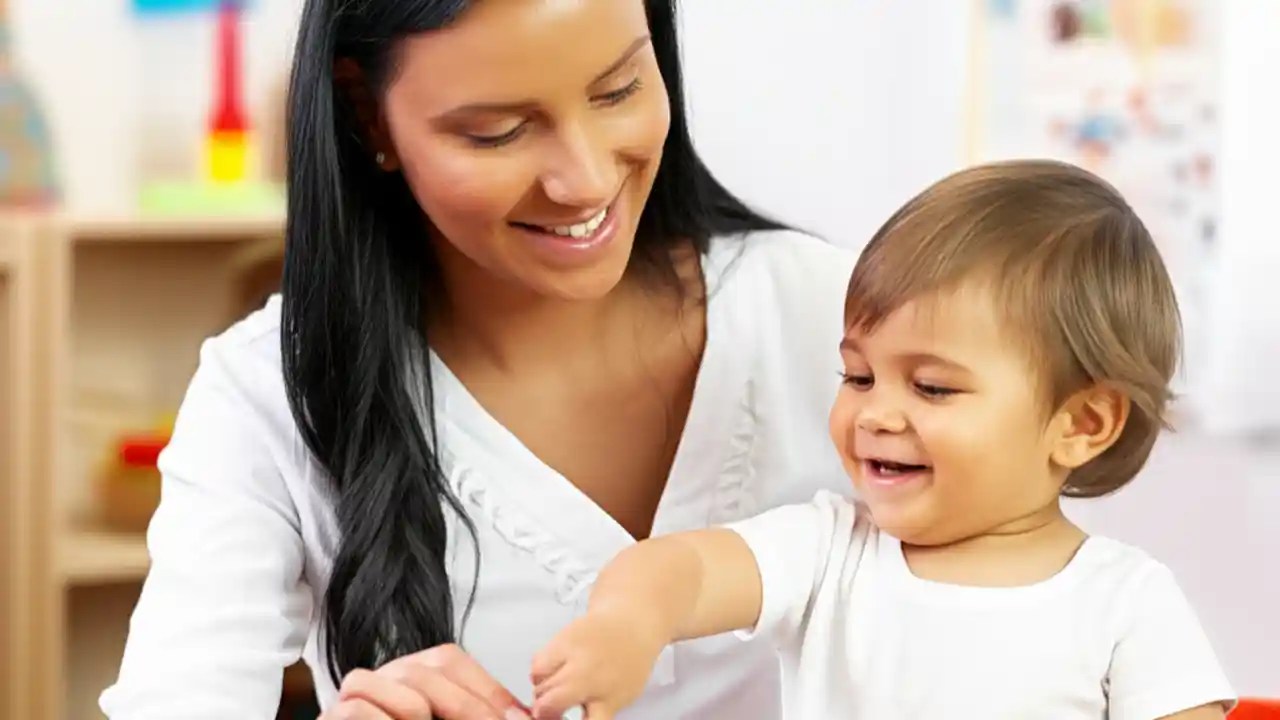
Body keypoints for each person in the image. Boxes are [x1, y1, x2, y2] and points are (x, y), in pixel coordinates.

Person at [99, 0, 855, 718]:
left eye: (619, 88)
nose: (586, 180)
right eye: (497, 133)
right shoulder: (269, 393)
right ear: (368, 115)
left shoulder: (838, 321)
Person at [529, 160, 1237, 720]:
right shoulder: (829, 554)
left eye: (931, 388)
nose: (875, 414)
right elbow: (684, 570)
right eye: (859, 375)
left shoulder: (1123, 602)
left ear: (1080, 424)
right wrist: (627, 625)